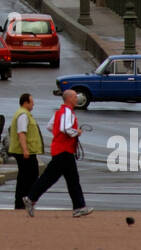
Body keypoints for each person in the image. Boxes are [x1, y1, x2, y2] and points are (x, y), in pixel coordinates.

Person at [23, 89, 93, 217]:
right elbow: (65, 128)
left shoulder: (59, 112)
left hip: (60, 150)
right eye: (75, 96)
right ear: (70, 99)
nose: (77, 98)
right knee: (67, 179)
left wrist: (60, 136)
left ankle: (32, 198)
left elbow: (51, 126)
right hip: (64, 151)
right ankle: (78, 207)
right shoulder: (67, 111)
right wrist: (76, 132)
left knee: (56, 178)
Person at [6, 92, 43, 210]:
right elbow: (21, 133)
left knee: (26, 177)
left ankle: (23, 202)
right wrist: (25, 150)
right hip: (25, 153)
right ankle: (23, 202)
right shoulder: (23, 115)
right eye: (32, 102)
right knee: (28, 178)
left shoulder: (24, 114)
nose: (34, 105)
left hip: (26, 152)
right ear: (26, 102)